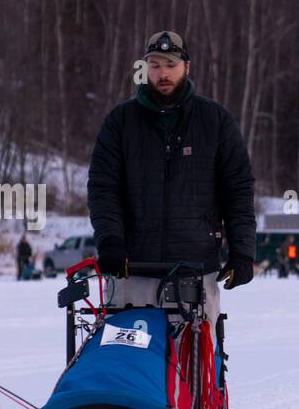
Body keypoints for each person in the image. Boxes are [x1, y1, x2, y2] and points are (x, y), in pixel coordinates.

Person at [88, 29, 256, 326]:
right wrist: (110, 241)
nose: (162, 74)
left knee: (195, 367)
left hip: (195, 272)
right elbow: (103, 189)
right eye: (155, 65)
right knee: (130, 366)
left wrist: (242, 251)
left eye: (170, 65)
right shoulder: (120, 122)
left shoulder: (215, 121)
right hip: (132, 273)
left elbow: (238, 191)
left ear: (186, 67)